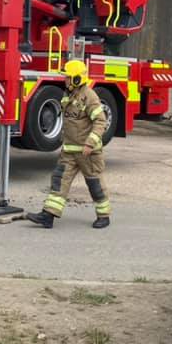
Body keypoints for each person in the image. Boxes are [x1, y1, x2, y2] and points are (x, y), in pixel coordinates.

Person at [26, 59, 112, 229]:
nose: (64, 80)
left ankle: (104, 215)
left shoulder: (90, 96)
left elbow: (100, 121)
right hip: (70, 151)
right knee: (59, 180)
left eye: (67, 77)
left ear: (77, 79)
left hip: (88, 153)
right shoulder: (69, 95)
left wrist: (90, 144)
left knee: (95, 184)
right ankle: (48, 215)